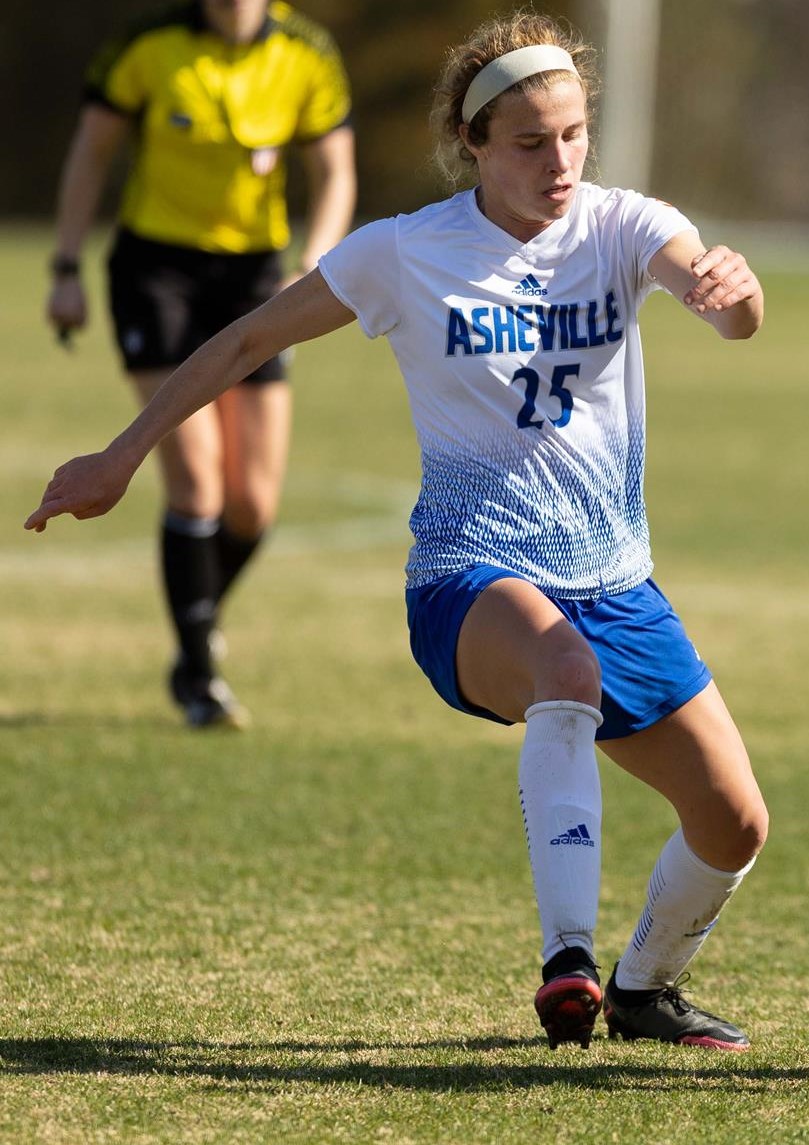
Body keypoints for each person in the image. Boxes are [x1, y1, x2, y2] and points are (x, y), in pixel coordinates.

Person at [28, 10, 768, 1053]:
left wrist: (734, 293)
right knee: (564, 670)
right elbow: (242, 341)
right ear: (472, 142)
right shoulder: (406, 251)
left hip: (615, 579)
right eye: (529, 142)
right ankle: (566, 961)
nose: (560, 162)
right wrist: (121, 455)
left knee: (735, 822)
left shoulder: (623, 224)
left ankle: (643, 987)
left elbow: (719, 302)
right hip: (472, 574)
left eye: (573, 134)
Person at [45, 0, 356, 729]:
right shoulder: (147, 45)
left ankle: (196, 625)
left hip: (255, 278)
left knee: (252, 504)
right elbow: (91, 152)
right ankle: (199, 674)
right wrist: (65, 266)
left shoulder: (307, 52)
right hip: (157, 275)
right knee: (196, 479)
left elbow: (335, 173)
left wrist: (314, 264)